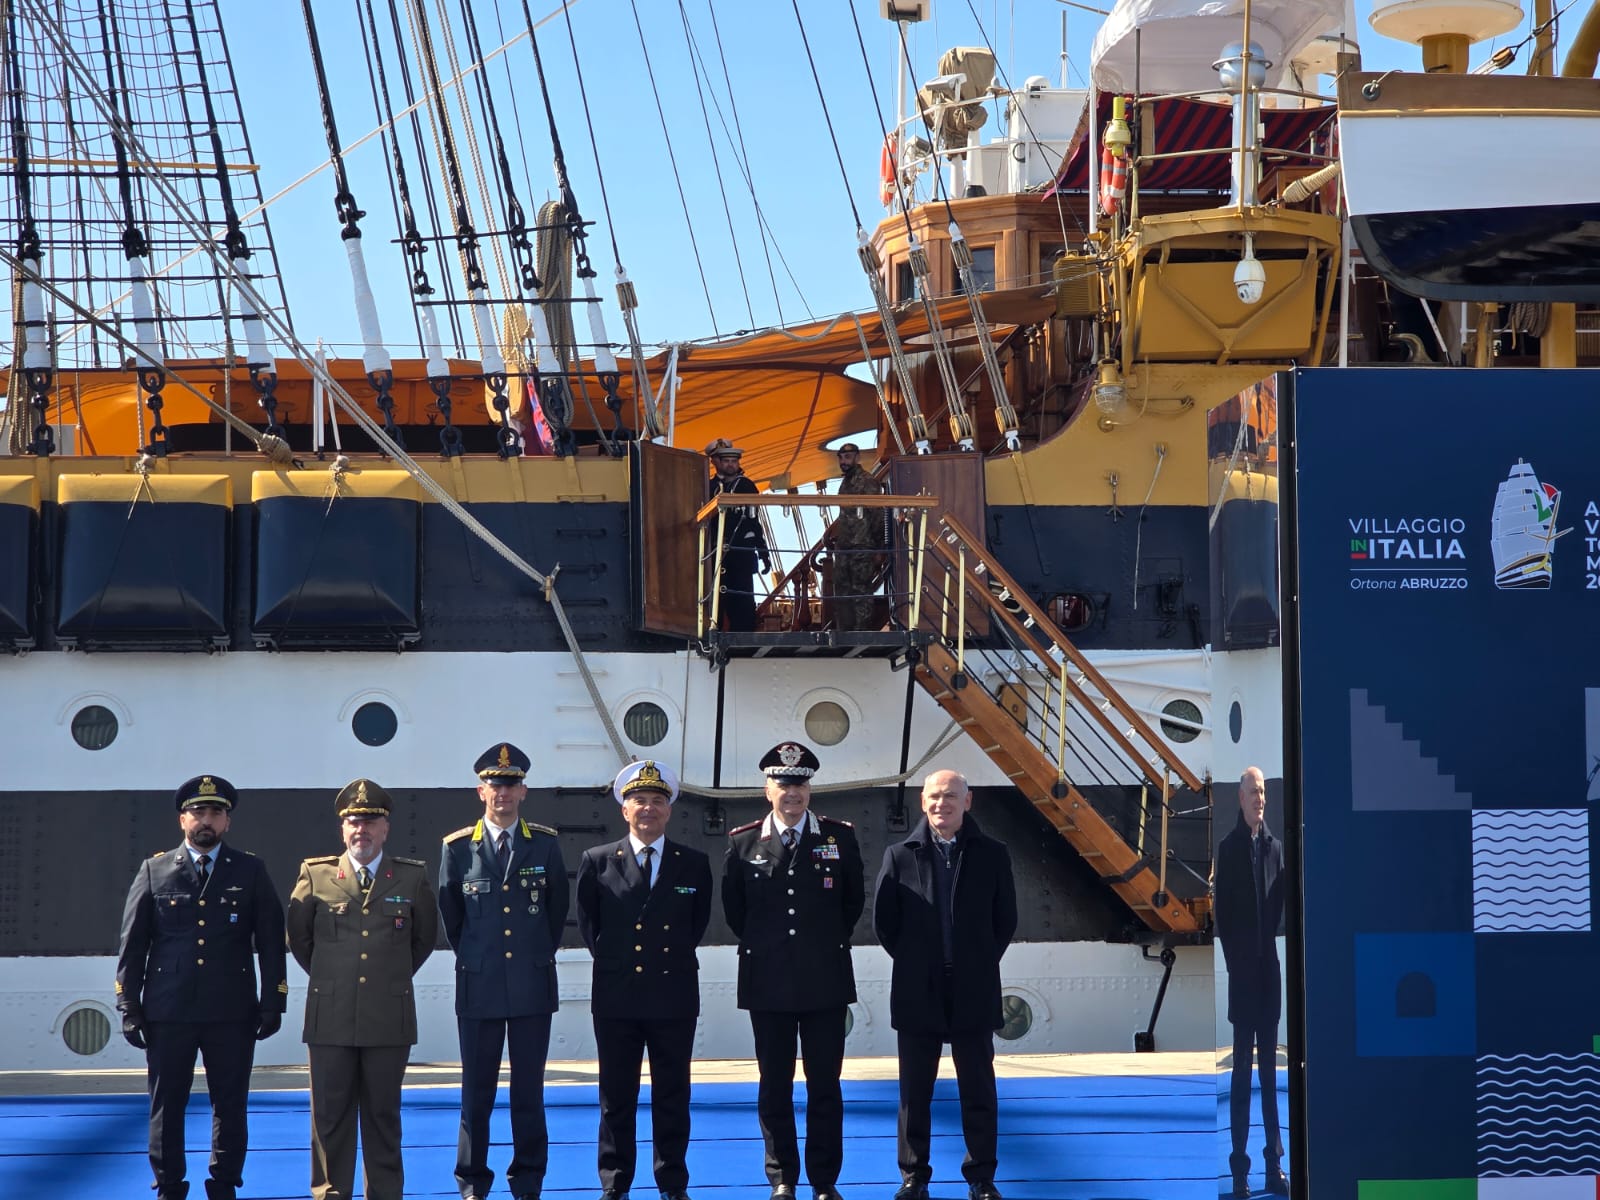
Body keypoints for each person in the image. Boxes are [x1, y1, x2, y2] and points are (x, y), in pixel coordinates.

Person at [115, 774, 287, 1200]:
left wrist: (272, 1002)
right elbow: (132, 946)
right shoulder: (154, 871)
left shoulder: (250, 870)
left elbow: (269, 941)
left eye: (215, 813)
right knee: (166, 1104)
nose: (205, 820)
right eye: (198, 812)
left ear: (227, 821)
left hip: (231, 1011)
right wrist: (128, 1006)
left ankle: (224, 1182)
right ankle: (169, 1184)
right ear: (182, 820)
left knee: (229, 1104)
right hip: (168, 1011)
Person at [723, 741, 866, 1200]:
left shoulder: (839, 838)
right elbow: (736, 911)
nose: (793, 793)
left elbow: (851, 904)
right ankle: (782, 1178)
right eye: (784, 784)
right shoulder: (743, 842)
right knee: (775, 1085)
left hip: (824, 980)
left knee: (825, 1084)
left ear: (810, 788)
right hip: (768, 983)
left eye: (800, 784)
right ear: (768, 789)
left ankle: (824, 1181)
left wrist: (816, 947)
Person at [287, 778, 438, 1200]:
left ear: (385, 829)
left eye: (371, 822)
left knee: (383, 1117)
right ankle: (331, 1193)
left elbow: (422, 941)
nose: (362, 830)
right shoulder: (316, 876)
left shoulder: (410, 878)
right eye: (354, 822)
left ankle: (386, 1194)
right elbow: (300, 941)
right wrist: (332, 977)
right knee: (329, 1117)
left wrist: (390, 978)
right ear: (342, 829)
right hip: (330, 1016)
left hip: (388, 1017)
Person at [873, 769, 1017, 1200]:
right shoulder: (899, 855)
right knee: (914, 1092)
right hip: (919, 989)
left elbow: (1004, 920)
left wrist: (975, 962)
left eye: (951, 796)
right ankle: (914, 1176)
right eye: (935, 797)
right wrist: (919, 963)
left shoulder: (993, 854)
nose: (943, 804)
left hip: (973, 987)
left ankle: (981, 1177)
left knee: (978, 1088)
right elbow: (886, 924)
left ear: (968, 802)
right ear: (923, 802)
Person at [575, 760, 713, 1200]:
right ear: (624, 809)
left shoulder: (692, 863)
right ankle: (615, 1183)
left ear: (669, 810)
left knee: (673, 1095)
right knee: (616, 1097)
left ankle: (672, 1182)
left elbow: (696, 926)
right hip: (617, 996)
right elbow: (589, 926)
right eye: (639, 800)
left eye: (657, 801)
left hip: (673, 994)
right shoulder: (597, 861)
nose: (648, 808)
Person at [439, 742, 569, 1200]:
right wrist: (481, 956)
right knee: (476, 1093)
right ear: (481, 791)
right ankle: (473, 1180)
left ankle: (528, 1178)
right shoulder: (457, 849)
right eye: (495, 785)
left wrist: (530, 956)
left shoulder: (546, 845)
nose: (503, 793)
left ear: (524, 791)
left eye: (511, 785)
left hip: (532, 984)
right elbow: (453, 917)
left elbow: (556, 914)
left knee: (528, 1092)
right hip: (480, 984)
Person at [1214, 766, 1287, 1198]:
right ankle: (1239, 1172)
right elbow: (1224, 915)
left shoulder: (1276, 848)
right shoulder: (1228, 849)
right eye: (1252, 792)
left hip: (1269, 979)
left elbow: (1276, 910)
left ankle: (1273, 1167)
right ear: (1240, 799)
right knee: (1241, 1077)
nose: (1259, 798)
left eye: (1262, 792)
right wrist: (1239, 965)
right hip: (1243, 979)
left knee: (1269, 1079)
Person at [706, 437, 770, 632]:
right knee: (716, 600)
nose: (731, 465)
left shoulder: (746, 486)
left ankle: (743, 641)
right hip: (717, 553)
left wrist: (763, 553)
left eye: (734, 461)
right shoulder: (709, 487)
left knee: (743, 602)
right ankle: (712, 637)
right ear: (717, 463)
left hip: (741, 553)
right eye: (726, 461)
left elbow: (754, 523)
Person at [827, 443, 888, 632]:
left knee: (861, 591)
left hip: (863, 545)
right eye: (841, 458)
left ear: (857, 457)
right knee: (842, 590)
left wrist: (879, 548)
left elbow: (876, 515)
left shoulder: (867, 482)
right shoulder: (845, 483)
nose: (843, 461)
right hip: (844, 545)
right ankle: (845, 631)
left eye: (848, 457)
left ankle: (861, 633)